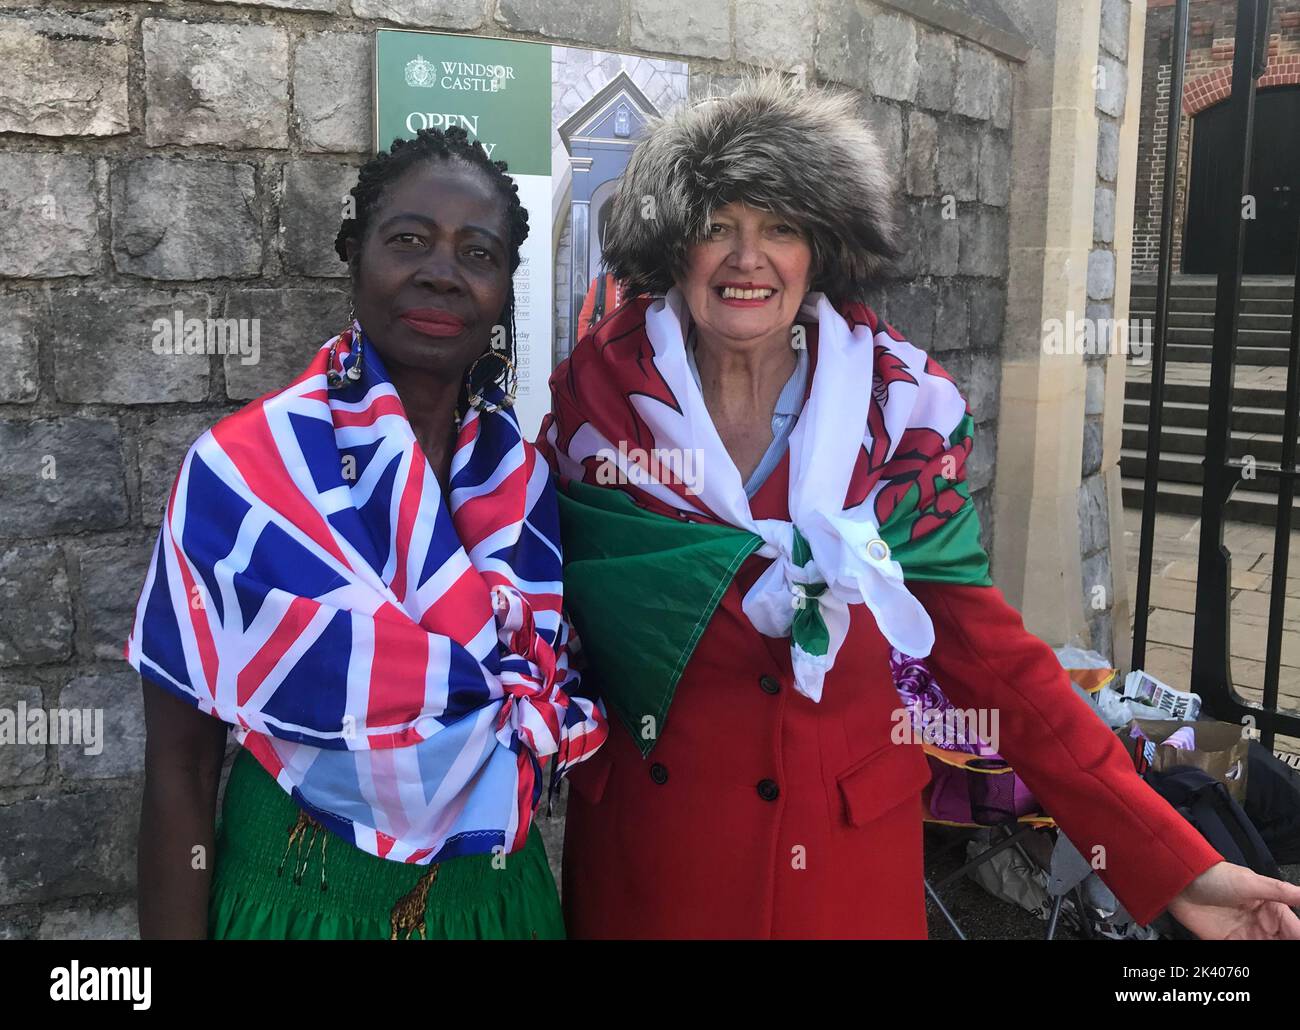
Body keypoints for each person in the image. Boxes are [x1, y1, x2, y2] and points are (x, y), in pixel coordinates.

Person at [538, 72, 1300, 939]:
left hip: (840, 863)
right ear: (677, 246)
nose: (747, 259)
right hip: (652, 858)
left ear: (819, 248)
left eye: (779, 228)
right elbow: (532, 607)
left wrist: (1174, 862)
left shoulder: (899, 414)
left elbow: (993, 660)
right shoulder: (592, 400)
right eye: (717, 226)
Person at [128, 126, 606, 940]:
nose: (441, 272)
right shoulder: (244, 476)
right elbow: (181, 763)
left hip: (497, 906)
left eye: (477, 253)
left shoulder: (526, 486)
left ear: (502, 291)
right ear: (356, 259)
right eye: (409, 240)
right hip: (298, 899)